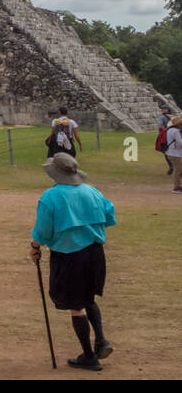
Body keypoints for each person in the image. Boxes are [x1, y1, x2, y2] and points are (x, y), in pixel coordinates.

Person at [29, 152, 117, 370]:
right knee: (88, 298)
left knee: (75, 305)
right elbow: (110, 214)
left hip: (69, 256)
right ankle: (101, 340)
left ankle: (89, 356)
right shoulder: (92, 191)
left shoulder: (50, 197)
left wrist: (35, 248)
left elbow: (43, 230)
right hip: (95, 253)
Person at [158, 102, 176, 176]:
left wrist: (161, 133)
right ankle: (177, 167)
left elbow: (160, 126)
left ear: (167, 110)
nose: (162, 110)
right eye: (162, 109)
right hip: (175, 135)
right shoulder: (173, 117)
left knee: (165, 151)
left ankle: (172, 166)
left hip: (166, 136)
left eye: (164, 109)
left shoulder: (162, 117)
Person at [166, 116, 182, 194]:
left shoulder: (169, 130)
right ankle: (177, 187)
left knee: (177, 170)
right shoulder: (176, 131)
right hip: (175, 153)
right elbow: (179, 143)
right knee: (177, 170)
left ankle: (177, 186)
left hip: (170, 152)